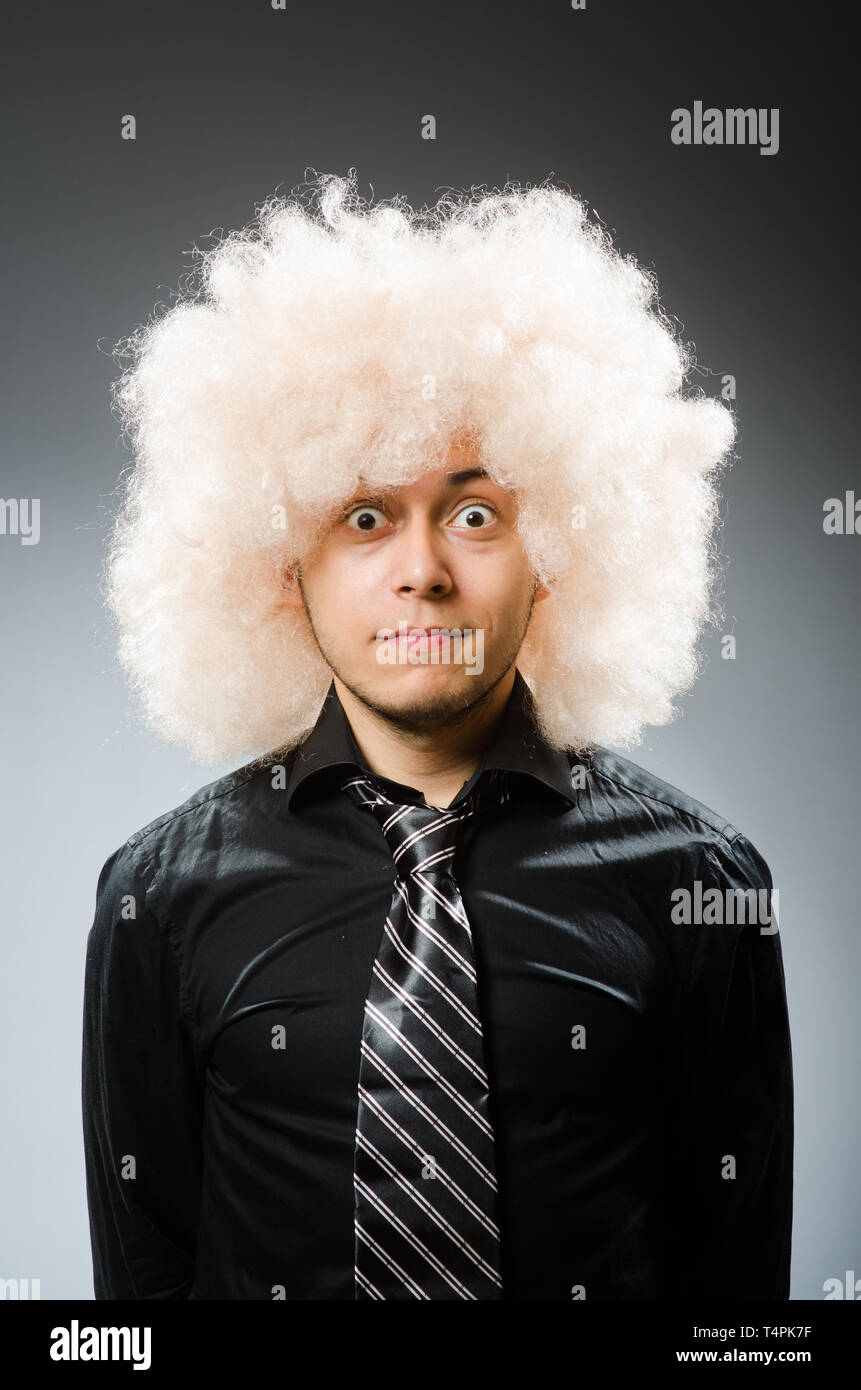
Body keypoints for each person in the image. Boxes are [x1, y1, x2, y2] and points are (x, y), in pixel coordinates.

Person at [82, 170, 793, 1300]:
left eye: (475, 513)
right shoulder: (158, 898)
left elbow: (736, 1297)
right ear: (278, 563)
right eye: (363, 515)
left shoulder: (700, 886)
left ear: (560, 541)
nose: (422, 569)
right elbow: (144, 1287)